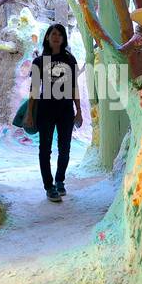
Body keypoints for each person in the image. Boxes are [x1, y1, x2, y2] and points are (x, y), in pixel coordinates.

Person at [24, 23, 82, 202]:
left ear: (63, 39)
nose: (56, 37)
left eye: (59, 34)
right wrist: (29, 113)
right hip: (46, 109)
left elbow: (74, 87)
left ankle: (60, 181)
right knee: (45, 149)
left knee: (65, 148)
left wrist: (79, 110)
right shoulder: (39, 61)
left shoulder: (69, 60)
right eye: (53, 34)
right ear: (47, 37)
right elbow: (34, 90)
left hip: (65, 109)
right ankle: (49, 186)